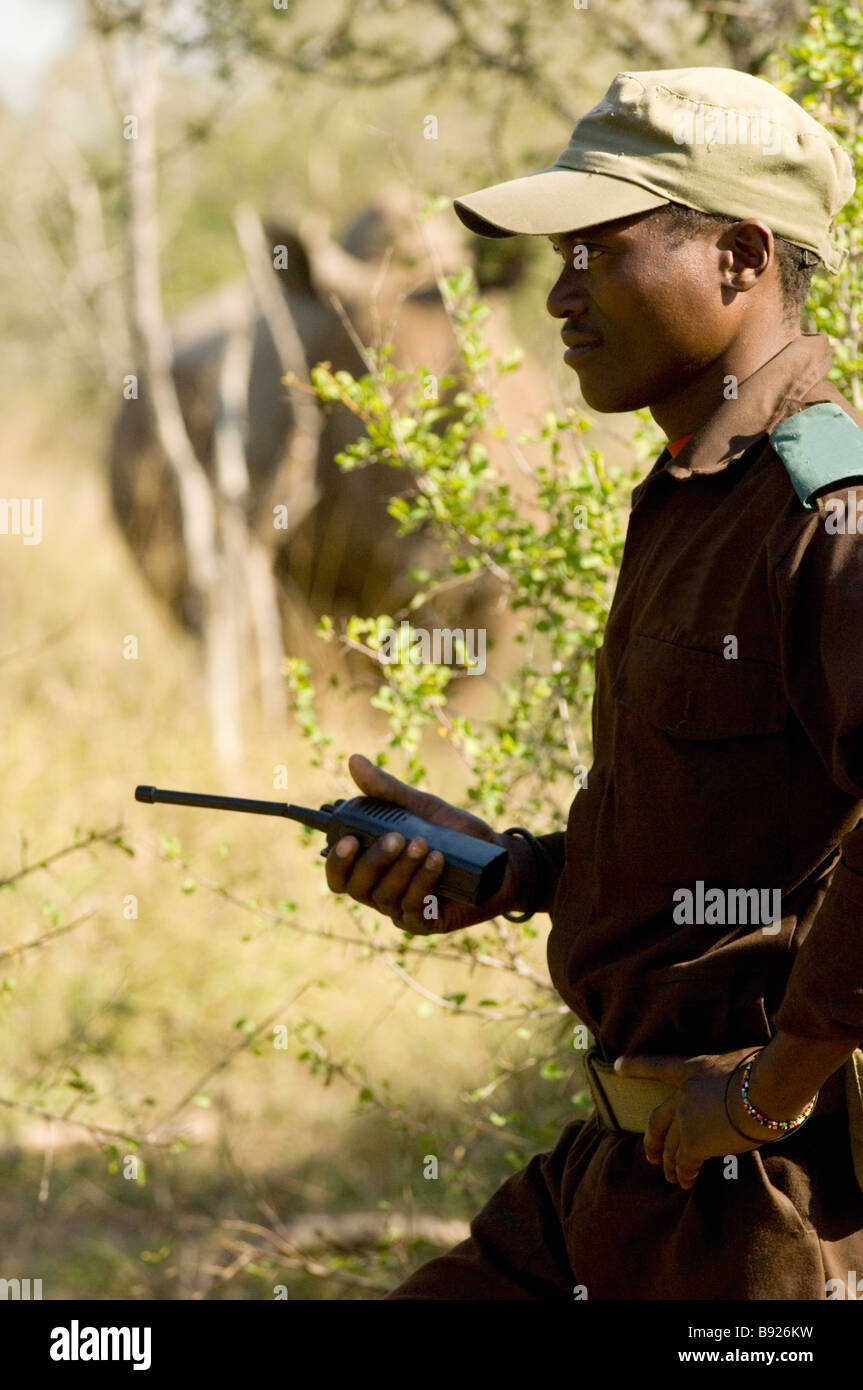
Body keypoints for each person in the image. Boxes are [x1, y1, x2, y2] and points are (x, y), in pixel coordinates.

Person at [324, 67, 863, 1299]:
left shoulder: (824, 515)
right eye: (558, 259)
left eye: (596, 253)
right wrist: (506, 872)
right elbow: (732, 843)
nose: (560, 295)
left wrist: (768, 1094)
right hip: (621, 1178)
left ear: (737, 257)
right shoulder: (684, 499)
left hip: (762, 1218)